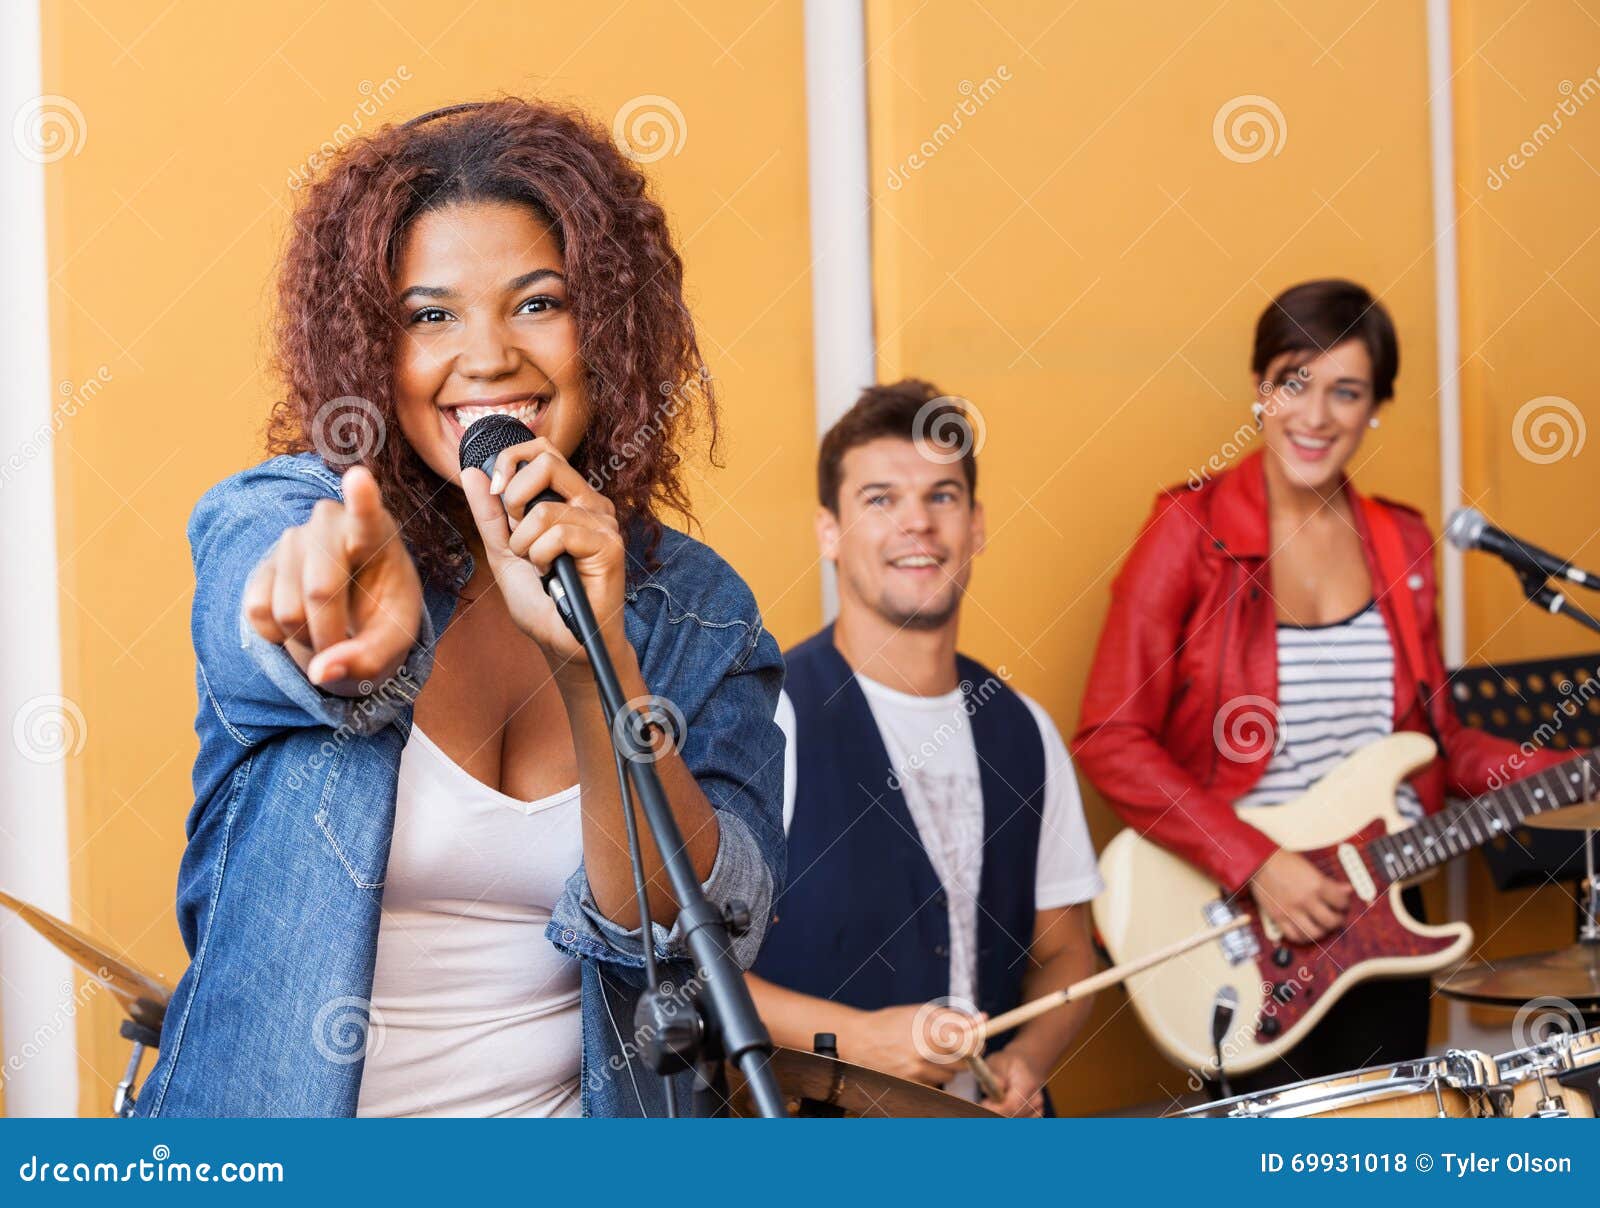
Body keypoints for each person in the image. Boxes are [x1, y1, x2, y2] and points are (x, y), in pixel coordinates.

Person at [135, 98, 785, 1118]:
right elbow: (261, 603)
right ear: (370, 348)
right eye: (429, 316)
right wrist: (349, 623)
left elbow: (687, 937)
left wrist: (596, 665)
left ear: (610, 331)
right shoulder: (293, 516)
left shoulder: (697, 609)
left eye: (538, 303)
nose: (485, 358)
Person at [1071, 278, 1568, 1091]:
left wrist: (1569, 775)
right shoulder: (1188, 533)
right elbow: (1110, 735)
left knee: (1383, 1150)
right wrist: (1256, 863)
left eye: (1347, 391)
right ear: (1259, 388)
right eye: (1294, 382)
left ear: (1375, 408)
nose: (1316, 415)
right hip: (1245, 929)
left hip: (1387, 919)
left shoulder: (1400, 541)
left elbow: (1437, 743)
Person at [747, 380, 1103, 1117]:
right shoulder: (768, 719)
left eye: (942, 496)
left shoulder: (1025, 729)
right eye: (880, 499)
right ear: (828, 532)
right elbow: (691, 972)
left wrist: (1026, 1062)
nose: (917, 522)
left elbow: (1068, 952)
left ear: (976, 525)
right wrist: (857, 1041)